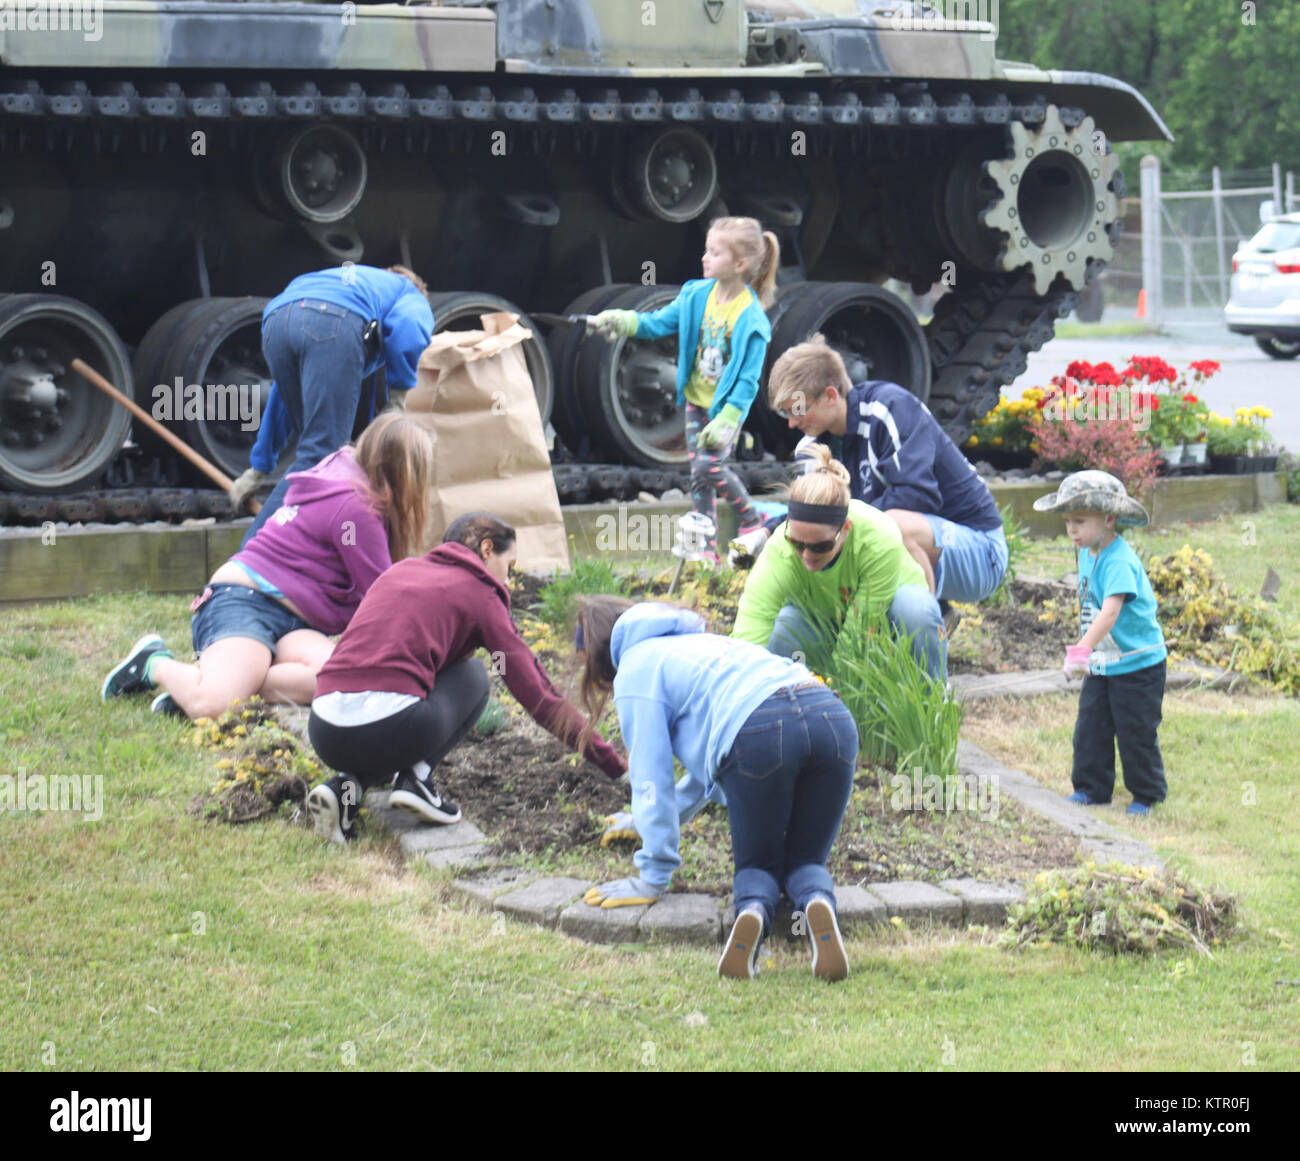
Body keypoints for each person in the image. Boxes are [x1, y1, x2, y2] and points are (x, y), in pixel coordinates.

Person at [575, 596, 859, 982]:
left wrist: (652, 875)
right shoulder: (706, 645)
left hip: (759, 736)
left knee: (759, 866)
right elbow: (707, 770)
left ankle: (753, 913)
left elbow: (651, 777)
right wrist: (644, 821)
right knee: (806, 861)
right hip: (832, 719)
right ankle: (817, 903)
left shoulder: (635, 669)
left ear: (600, 656)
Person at [304, 512, 627, 844]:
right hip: (390, 726)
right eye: (509, 565)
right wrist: (612, 762)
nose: (508, 579)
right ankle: (416, 780)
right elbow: (535, 691)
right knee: (474, 675)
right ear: (487, 549)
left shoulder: (399, 572)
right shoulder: (480, 593)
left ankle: (344, 788)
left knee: (393, 711)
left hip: (324, 726)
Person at [101, 411, 434, 721]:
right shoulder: (354, 509)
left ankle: (214, 684)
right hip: (245, 602)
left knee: (338, 680)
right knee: (214, 706)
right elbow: (381, 595)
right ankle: (156, 665)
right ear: (406, 474)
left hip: (295, 624)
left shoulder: (344, 471)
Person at [765, 334, 1008, 612]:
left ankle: (929, 622)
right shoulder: (812, 445)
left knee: (891, 525)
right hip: (928, 543)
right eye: (786, 414)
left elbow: (917, 495)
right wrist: (764, 532)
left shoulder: (888, 408)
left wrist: (835, 525)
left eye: (798, 410)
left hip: (979, 549)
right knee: (824, 538)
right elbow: (812, 515)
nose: (792, 423)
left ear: (831, 395)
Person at [589, 217, 779, 562]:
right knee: (699, 479)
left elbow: (749, 381)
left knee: (709, 468)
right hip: (695, 402)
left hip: (725, 411)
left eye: (715, 252)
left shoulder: (751, 320)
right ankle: (705, 551)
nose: (704, 257)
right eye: (707, 249)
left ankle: (753, 517)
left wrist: (728, 420)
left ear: (740, 264)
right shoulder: (696, 295)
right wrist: (623, 321)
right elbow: (657, 322)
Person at [233, 263, 435, 542]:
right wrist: (396, 404)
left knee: (314, 450)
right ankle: (249, 559)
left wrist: (259, 467)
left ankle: (299, 552)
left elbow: (280, 398)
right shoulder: (407, 291)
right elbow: (410, 330)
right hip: (331, 320)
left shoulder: (354, 284)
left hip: (276, 320)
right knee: (324, 456)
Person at [731, 444, 946, 682]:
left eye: (820, 546)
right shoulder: (779, 551)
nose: (807, 557)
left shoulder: (879, 539)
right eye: (797, 544)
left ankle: (932, 699)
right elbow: (749, 633)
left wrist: (839, 694)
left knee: (916, 610)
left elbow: (859, 633)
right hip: (826, 618)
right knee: (787, 625)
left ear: (845, 529)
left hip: (887, 619)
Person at [1033, 471, 1167, 816]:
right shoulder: (1088, 551)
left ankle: (1146, 795)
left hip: (1138, 664)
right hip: (1105, 661)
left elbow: (1108, 614)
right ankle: (1091, 789)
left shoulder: (1119, 560)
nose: (1071, 530)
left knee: (1135, 730)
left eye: (1080, 521)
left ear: (1109, 519)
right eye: (1067, 522)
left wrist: (1080, 651)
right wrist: (1090, 653)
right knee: (1091, 725)